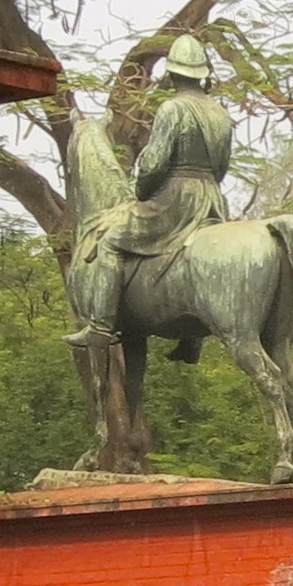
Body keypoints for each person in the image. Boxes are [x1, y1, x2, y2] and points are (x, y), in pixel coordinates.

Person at [62, 33, 232, 362]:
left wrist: (142, 189)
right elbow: (222, 166)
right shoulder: (221, 114)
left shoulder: (172, 108)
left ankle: (99, 325)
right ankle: (192, 338)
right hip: (212, 198)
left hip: (174, 201)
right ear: (202, 73)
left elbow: (154, 163)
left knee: (111, 239)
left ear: (173, 73)